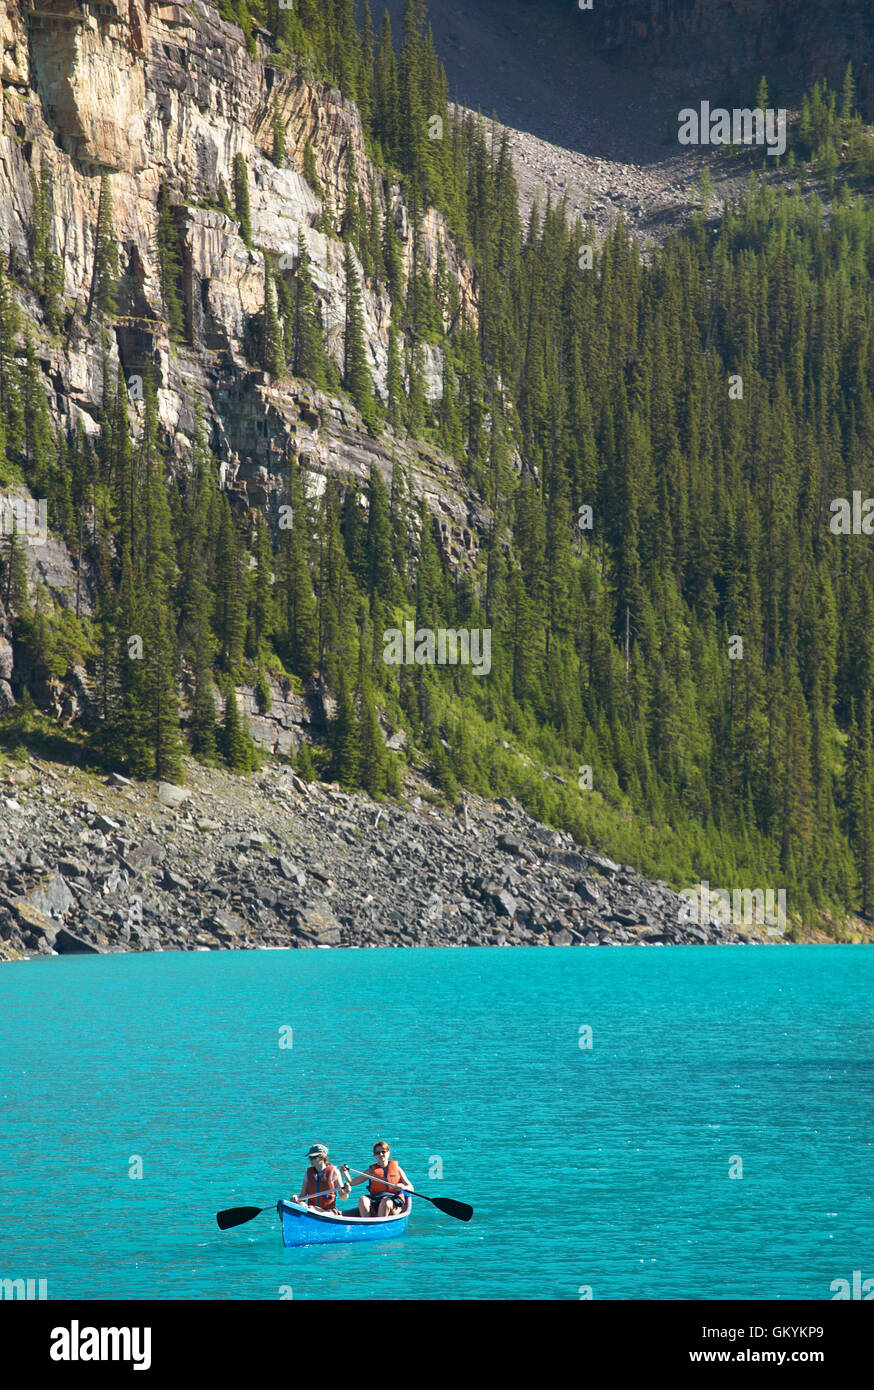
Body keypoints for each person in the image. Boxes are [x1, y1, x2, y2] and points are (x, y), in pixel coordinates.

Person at [341, 1142, 412, 1218]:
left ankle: (380, 1225)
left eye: (383, 1152)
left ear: (388, 1153)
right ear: (375, 1156)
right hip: (376, 1200)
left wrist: (403, 1187)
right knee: (363, 1199)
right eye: (378, 1153)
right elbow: (352, 1182)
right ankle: (368, 1224)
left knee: (385, 1201)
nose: (381, 1154)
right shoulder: (371, 1171)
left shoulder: (397, 1169)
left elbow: (410, 1187)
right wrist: (345, 1173)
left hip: (393, 1201)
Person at [290, 1143, 350, 1214]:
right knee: (301, 1205)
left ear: (322, 1157)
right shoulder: (308, 1173)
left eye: (313, 1157)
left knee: (325, 1213)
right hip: (312, 1209)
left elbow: (343, 1197)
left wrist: (346, 1191)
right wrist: (295, 1198)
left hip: (328, 1211)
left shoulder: (334, 1172)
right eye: (310, 1158)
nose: (310, 1160)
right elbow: (302, 1197)